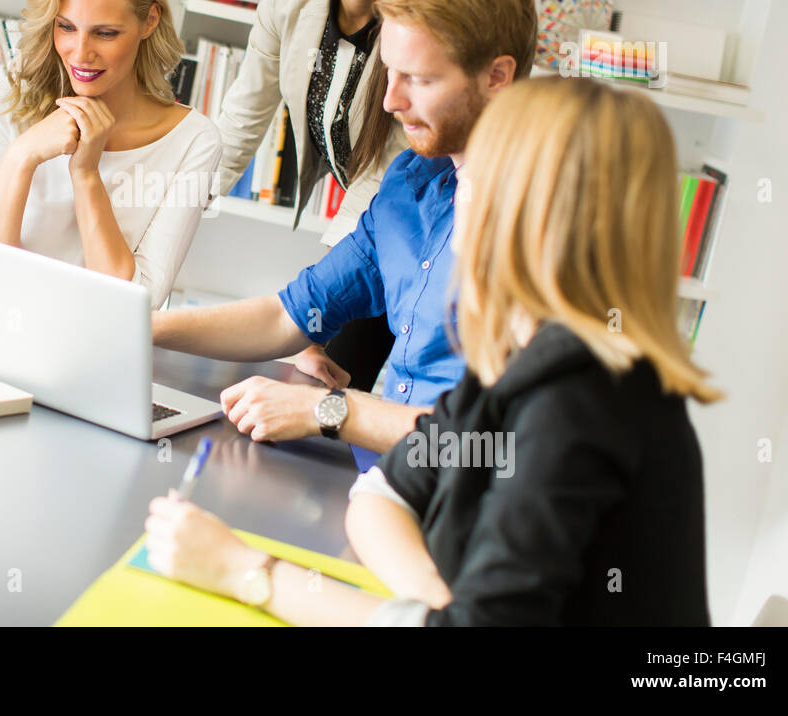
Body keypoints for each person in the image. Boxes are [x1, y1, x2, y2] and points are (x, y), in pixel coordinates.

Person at [144, 76, 719, 626]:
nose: (450, 194)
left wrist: (246, 571)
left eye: (473, 181)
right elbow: (382, 491)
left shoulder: (579, 402)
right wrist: (438, 605)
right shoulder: (520, 361)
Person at [154, 0, 536, 471]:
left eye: (419, 80)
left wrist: (329, 409)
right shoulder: (410, 184)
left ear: (497, 77)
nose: (390, 103)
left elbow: (488, 445)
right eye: (389, 73)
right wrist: (142, 327)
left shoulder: (548, 223)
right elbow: (287, 315)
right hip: (385, 489)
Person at [211, 0, 449, 393]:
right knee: (308, 376)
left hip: (417, 233)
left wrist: (317, 309)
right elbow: (245, 112)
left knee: (324, 387)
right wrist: (172, 208)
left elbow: (384, 177)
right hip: (373, 228)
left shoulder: (423, 30)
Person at [0, 0, 221, 310]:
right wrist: (22, 156)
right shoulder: (6, 105)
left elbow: (134, 303)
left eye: (105, 33)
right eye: (66, 27)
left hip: (98, 355)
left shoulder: (194, 141)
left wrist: (86, 175)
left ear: (149, 21)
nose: (80, 54)